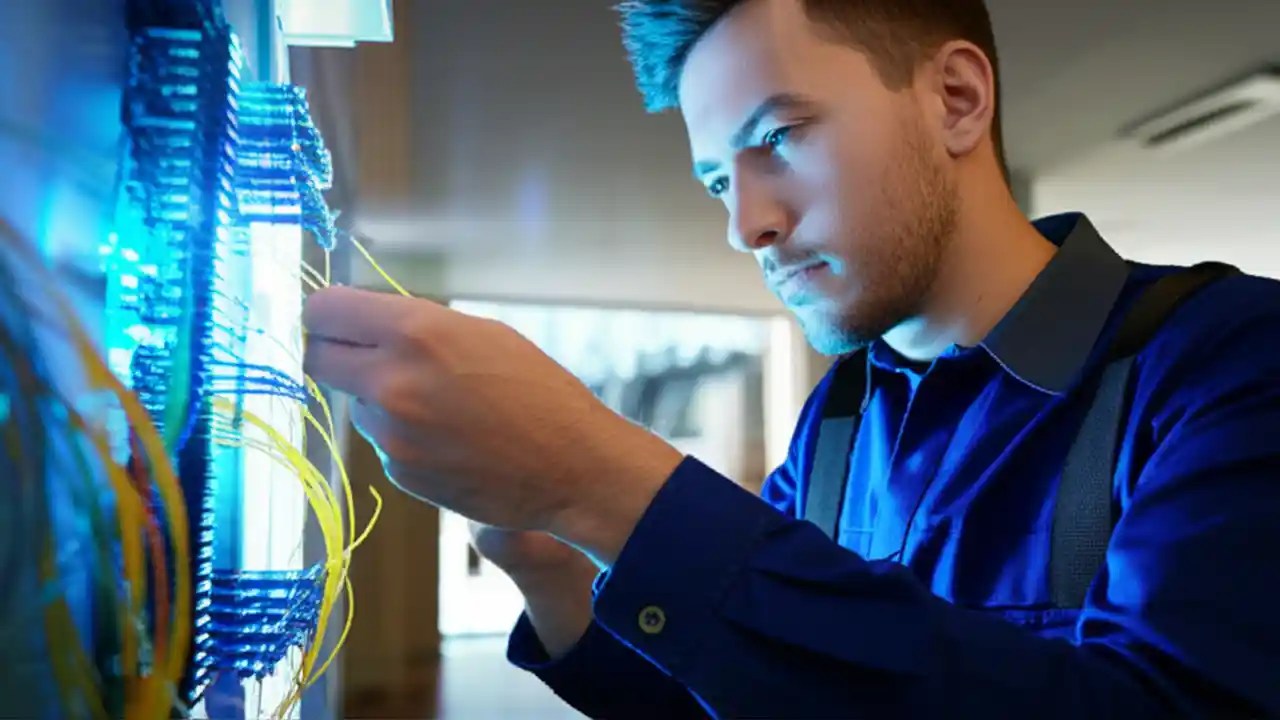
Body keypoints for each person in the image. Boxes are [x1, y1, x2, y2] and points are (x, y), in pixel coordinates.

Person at [301, 0, 1280, 716]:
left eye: (777, 137)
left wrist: (600, 481)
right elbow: (742, 695)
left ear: (955, 97)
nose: (747, 226)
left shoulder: (1232, 359)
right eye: (717, 180)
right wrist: (548, 554)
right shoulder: (836, 426)